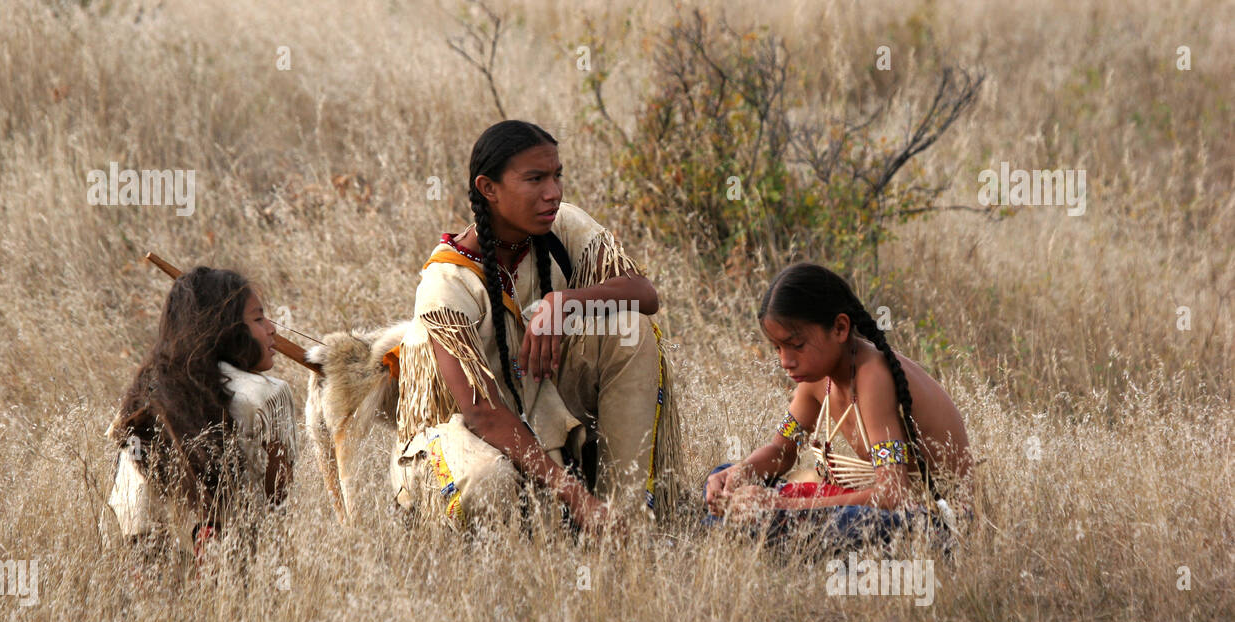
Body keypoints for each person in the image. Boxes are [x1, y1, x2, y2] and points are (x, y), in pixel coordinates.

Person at [385, 120, 681, 534]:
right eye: (535, 179)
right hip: (464, 441)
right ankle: (547, 519)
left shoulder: (563, 227)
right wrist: (576, 497)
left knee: (631, 329)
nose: (554, 192)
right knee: (488, 483)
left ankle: (625, 520)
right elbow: (482, 413)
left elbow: (644, 295)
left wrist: (563, 304)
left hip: (539, 414)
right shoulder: (445, 284)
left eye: (557, 175)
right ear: (488, 188)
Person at [704, 261, 971, 550]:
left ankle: (764, 533)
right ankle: (765, 529)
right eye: (777, 348)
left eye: (796, 345)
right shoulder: (817, 380)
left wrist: (782, 504)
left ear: (840, 328)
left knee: (846, 522)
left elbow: (894, 493)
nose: (785, 361)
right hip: (877, 504)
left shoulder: (872, 376)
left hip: (935, 520)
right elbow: (781, 451)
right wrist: (738, 474)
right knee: (726, 474)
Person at [103, 266, 300, 565]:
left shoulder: (141, 397)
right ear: (226, 330)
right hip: (233, 575)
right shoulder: (268, 393)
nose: (272, 328)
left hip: (140, 571)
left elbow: (126, 515)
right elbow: (278, 502)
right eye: (258, 319)